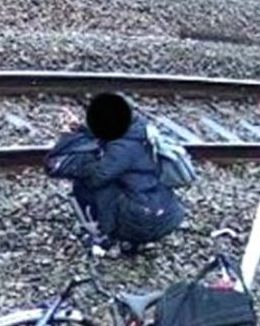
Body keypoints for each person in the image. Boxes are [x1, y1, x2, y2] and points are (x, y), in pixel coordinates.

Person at [45, 92, 185, 255]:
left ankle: (105, 237)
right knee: (116, 183)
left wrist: (85, 166)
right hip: (158, 208)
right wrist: (79, 128)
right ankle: (130, 239)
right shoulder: (138, 131)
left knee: (88, 185)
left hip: (142, 218)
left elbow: (98, 178)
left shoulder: (123, 147)